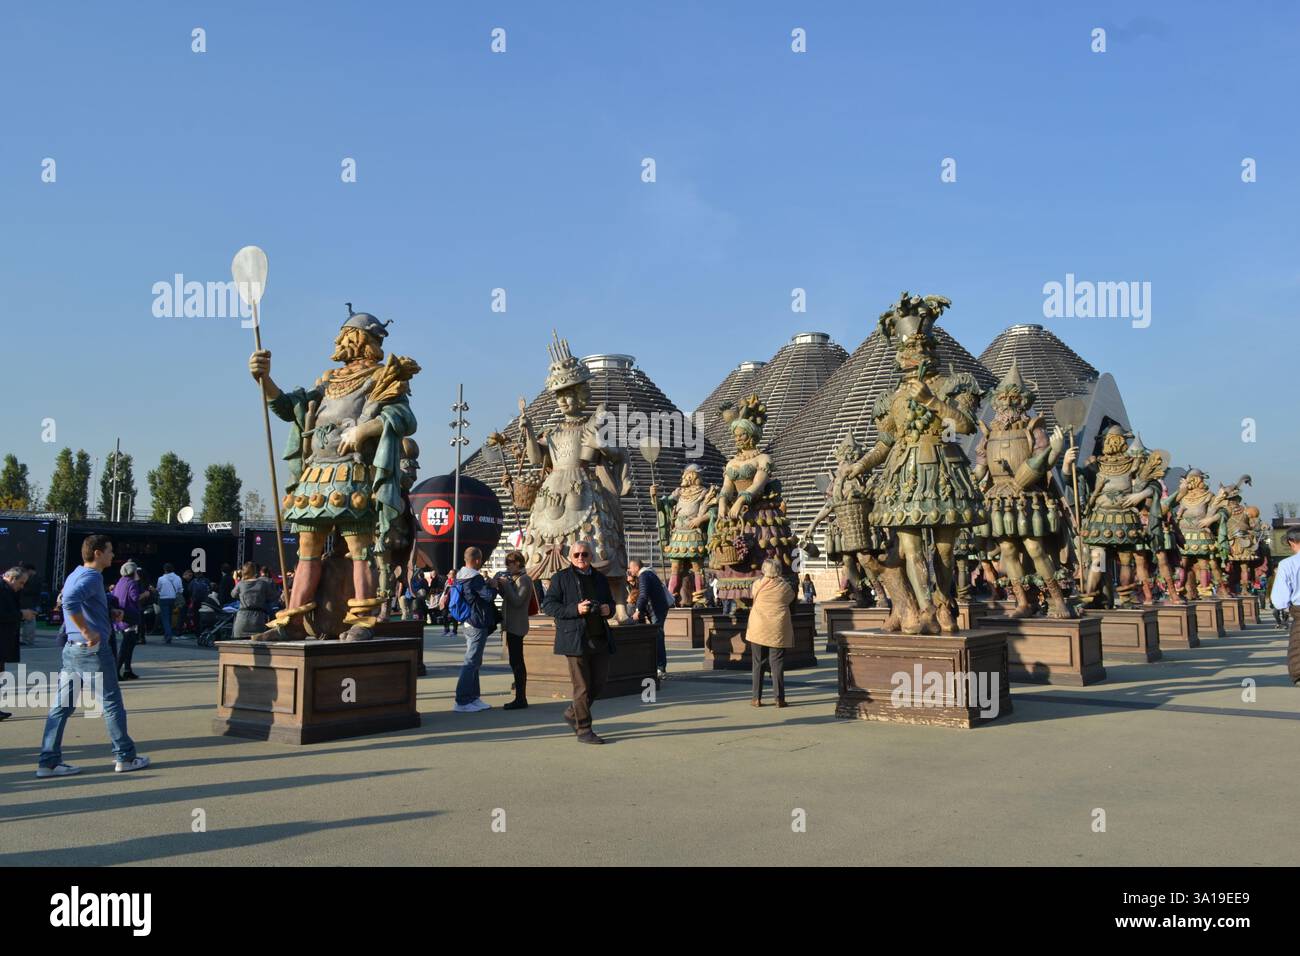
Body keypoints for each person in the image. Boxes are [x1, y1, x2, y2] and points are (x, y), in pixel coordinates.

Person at [36, 535, 150, 778]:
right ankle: (125, 757)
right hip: (92, 650)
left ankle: (48, 761)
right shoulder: (91, 576)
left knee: (61, 706)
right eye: (109, 551)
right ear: (97, 553)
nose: (112, 555)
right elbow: (69, 601)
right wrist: (88, 630)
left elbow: (71, 600)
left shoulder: (76, 573)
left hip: (72, 650)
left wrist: (108, 612)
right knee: (111, 703)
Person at [543, 539, 615, 744]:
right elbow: (548, 605)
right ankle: (584, 729)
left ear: (591, 556)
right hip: (574, 638)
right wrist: (575, 609)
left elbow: (610, 601)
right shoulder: (561, 578)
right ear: (570, 557)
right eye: (577, 555)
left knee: (599, 683)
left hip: (599, 636)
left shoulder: (600, 578)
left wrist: (607, 609)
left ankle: (572, 712)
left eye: (585, 554)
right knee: (582, 686)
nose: (581, 558)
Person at [452, 547, 499, 713]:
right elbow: (488, 596)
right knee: (471, 661)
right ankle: (463, 700)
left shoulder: (460, 576)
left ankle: (473, 697)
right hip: (477, 622)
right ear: (477, 560)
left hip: (468, 621)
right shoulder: (475, 577)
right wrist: (494, 586)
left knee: (475, 661)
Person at [747, 560, 795, 707]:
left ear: (764, 570)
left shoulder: (757, 584)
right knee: (777, 664)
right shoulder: (785, 587)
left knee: (758, 663)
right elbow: (791, 599)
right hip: (777, 628)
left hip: (758, 627)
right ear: (779, 570)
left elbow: (753, 595)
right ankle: (779, 698)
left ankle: (756, 698)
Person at [495, 551, 533, 710]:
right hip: (511, 625)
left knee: (517, 662)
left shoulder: (524, 579)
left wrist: (505, 585)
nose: (507, 565)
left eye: (509, 562)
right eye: (507, 563)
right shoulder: (516, 579)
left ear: (518, 562)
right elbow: (509, 598)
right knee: (514, 661)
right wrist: (499, 587)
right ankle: (519, 696)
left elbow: (517, 601)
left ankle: (521, 698)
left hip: (517, 626)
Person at [628, 558, 670, 681]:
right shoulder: (649, 573)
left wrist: (638, 610)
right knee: (658, 635)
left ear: (636, 567)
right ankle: (659, 666)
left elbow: (643, 594)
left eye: (630, 568)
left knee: (658, 636)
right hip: (659, 608)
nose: (630, 571)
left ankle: (660, 668)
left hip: (656, 609)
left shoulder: (644, 575)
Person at [1269, 526, 1300, 685]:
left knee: (1298, 645)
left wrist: (1283, 605)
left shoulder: (1287, 564)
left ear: (1292, 542)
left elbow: (1279, 598)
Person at [1, 566, 28, 720]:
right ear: (11, 578)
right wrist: (21, 614)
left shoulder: (7, 590)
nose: (21, 587)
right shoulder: (2, 589)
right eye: (21, 583)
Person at [111, 562, 144, 680]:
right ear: (133, 572)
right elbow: (135, 597)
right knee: (127, 645)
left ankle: (127, 670)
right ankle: (117, 670)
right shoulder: (132, 583)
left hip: (121, 616)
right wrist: (145, 594)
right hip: (130, 616)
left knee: (129, 644)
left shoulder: (120, 582)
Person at [232, 561, 279, 640]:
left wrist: (237, 580)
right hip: (258, 619)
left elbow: (233, 595)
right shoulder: (263, 584)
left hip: (242, 620)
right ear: (255, 571)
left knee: (240, 649)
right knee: (258, 648)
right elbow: (273, 597)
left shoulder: (241, 584)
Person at [156, 563, 182, 643]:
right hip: (173, 599)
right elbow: (180, 589)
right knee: (170, 617)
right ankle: (167, 634)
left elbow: (158, 589)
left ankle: (168, 635)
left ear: (165, 570)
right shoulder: (178, 578)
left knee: (165, 618)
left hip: (164, 599)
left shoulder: (161, 578)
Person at [19, 562, 40, 646]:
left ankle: (27, 640)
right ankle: (27, 639)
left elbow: (28, 590)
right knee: (29, 622)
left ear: (30, 570)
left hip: (28, 603)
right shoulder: (35, 578)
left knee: (29, 621)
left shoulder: (33, 579)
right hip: (30, 602)